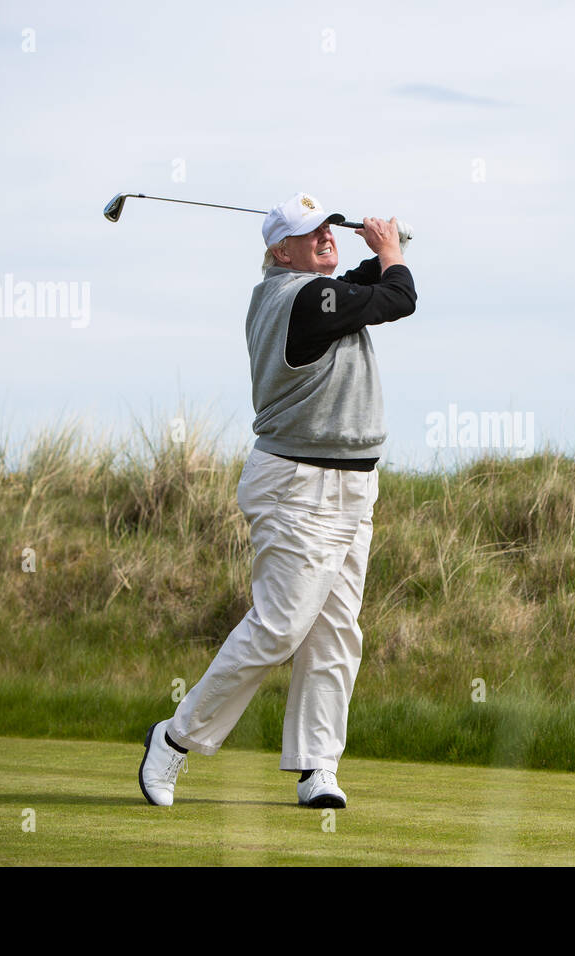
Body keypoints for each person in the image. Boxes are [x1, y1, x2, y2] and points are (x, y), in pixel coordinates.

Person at [139, 191, 416, 808]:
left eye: (327, 229)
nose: (324, 237)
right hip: (299, 487)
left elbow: (367, 283)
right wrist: (392, 254)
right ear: (278, 251)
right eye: (307, 233)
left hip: (350, 485)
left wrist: (384, 251)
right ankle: (175, 739)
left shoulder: (311, 294)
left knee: (336, 631)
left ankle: (318, 766)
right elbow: (399, 297)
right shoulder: (301, 298)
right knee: (280, 626)